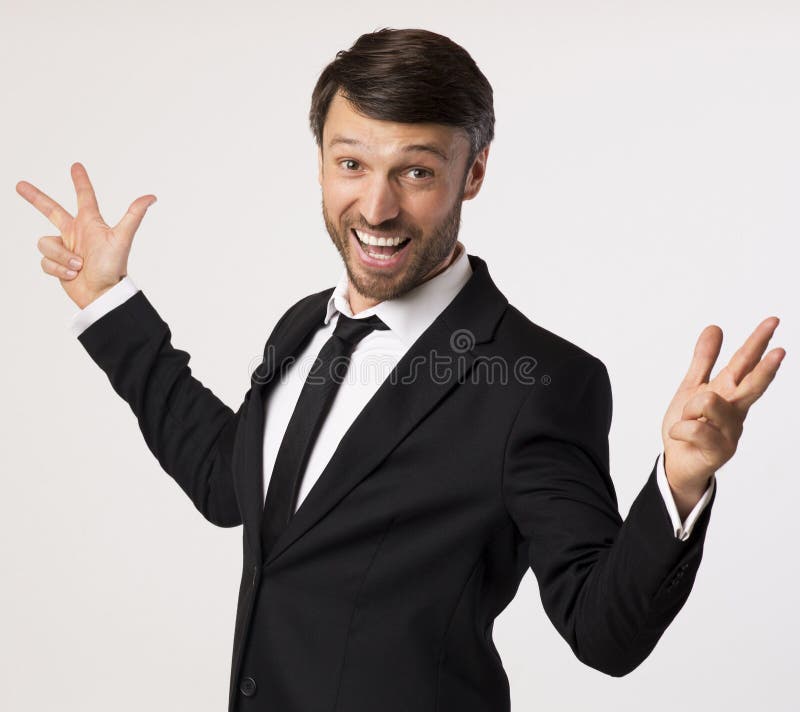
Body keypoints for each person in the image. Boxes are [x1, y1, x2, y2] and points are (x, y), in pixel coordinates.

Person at [17, 27, 784, 712]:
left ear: (472, 173)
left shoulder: (535, 381)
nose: (376, 208)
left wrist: (681, 481)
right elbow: (231, 486)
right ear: (320, 162)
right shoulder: (303, 326)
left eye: (415, 173)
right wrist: (109, 304)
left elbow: (603, 633)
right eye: (351, 163)